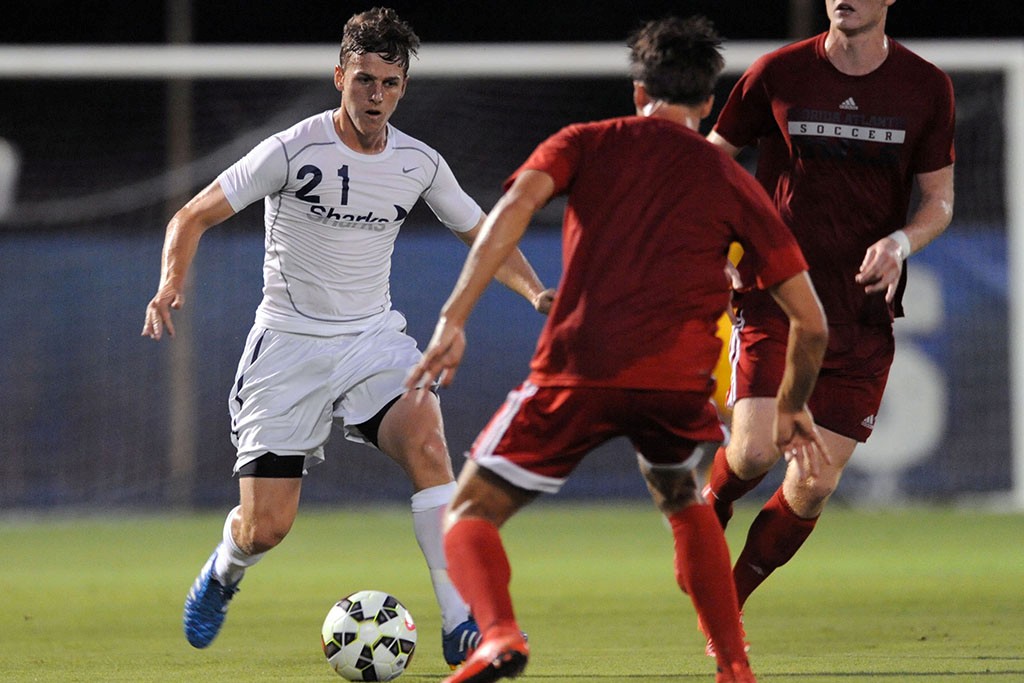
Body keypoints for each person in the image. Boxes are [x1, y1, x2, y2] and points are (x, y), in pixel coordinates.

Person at [406, 16, 832, 683]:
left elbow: (510, 211)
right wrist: (796, 403)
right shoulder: (732, 182)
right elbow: (811, 323)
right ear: (709, 104)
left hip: (580, 368)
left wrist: (453, 318)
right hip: (675, 384)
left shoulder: (588, 141)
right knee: (681, 493)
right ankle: (734, 666)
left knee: (468, 513)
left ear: (639, 92)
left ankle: (498, 637)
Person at [140, 7, 553, 669]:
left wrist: (537, 293)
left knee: (426, 437)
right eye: (365, 79)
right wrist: (169, 284)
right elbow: (192, 214)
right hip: (288, 347)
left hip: (372, 342)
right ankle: (225, 565)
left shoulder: (418, 163)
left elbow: (487, 236)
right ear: (340, 77)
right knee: (266, 526)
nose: (376, 95)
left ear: (403, 89)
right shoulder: (292, 149)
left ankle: (459, 622)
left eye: (390, 83)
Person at [701, 0, 955, 655]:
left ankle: (727, 602)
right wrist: (722, 243)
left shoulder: (925, 86)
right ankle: (709, 508)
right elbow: (711, 161)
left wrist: (901, 241)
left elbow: (939, 201)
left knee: (813, 485)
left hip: (861, 312)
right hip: (774, 295)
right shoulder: (778, 72)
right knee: (756, 451)